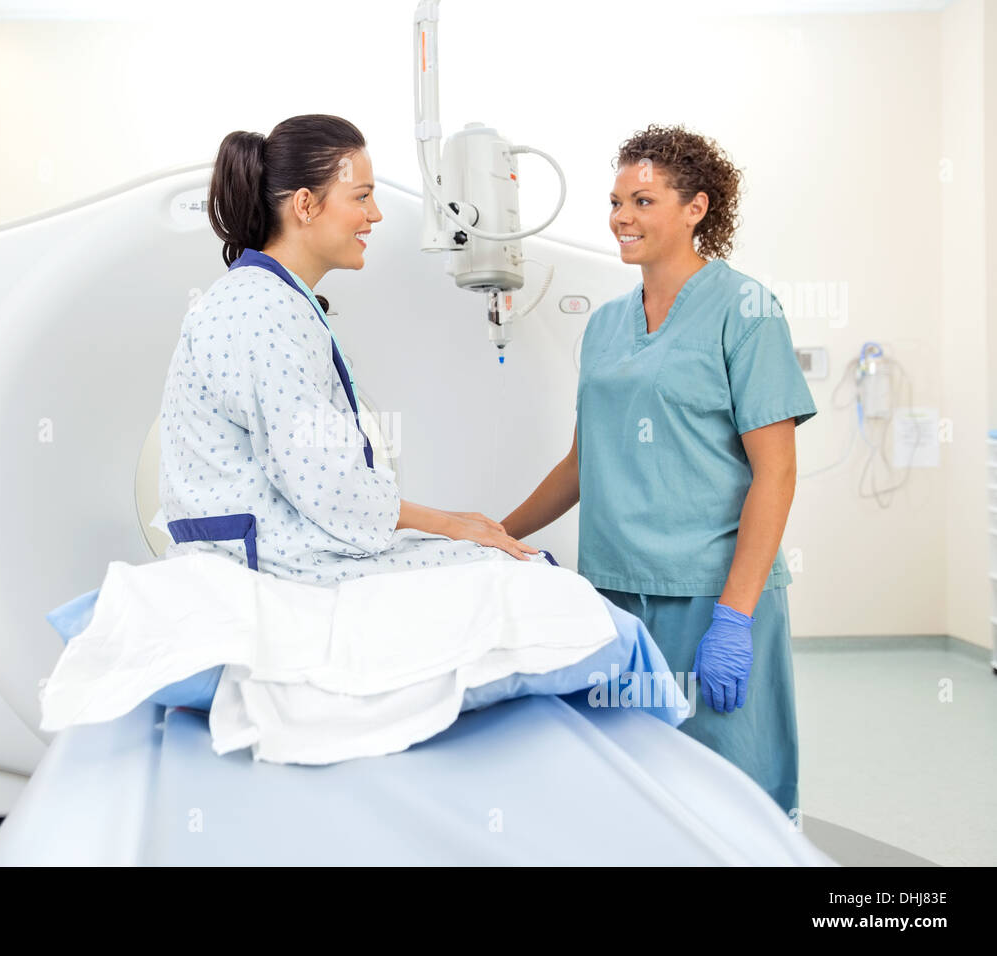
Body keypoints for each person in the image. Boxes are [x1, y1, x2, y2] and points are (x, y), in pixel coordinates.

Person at [502, 124, 817, 814]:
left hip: (712, 594)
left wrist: (733, 618)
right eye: (615, 202)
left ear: (696, 209)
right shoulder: (607, 324)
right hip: (616, 592)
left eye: (642, 201)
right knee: (639, 793)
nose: (621, 218)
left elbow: (777, 473)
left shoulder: (746, 310)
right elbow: (584, 463)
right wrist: (495, 533)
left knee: (735, 798)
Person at [158, 114, 540, 585]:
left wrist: (451, 524)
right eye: (361, 196)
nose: (375, 214)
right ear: (305, 205)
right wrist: (451, 524)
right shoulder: (261, 309)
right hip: (269, 560)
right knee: (515, 572)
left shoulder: (273, 299)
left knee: (494, 559)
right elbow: (325, 485)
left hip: (279, 542)